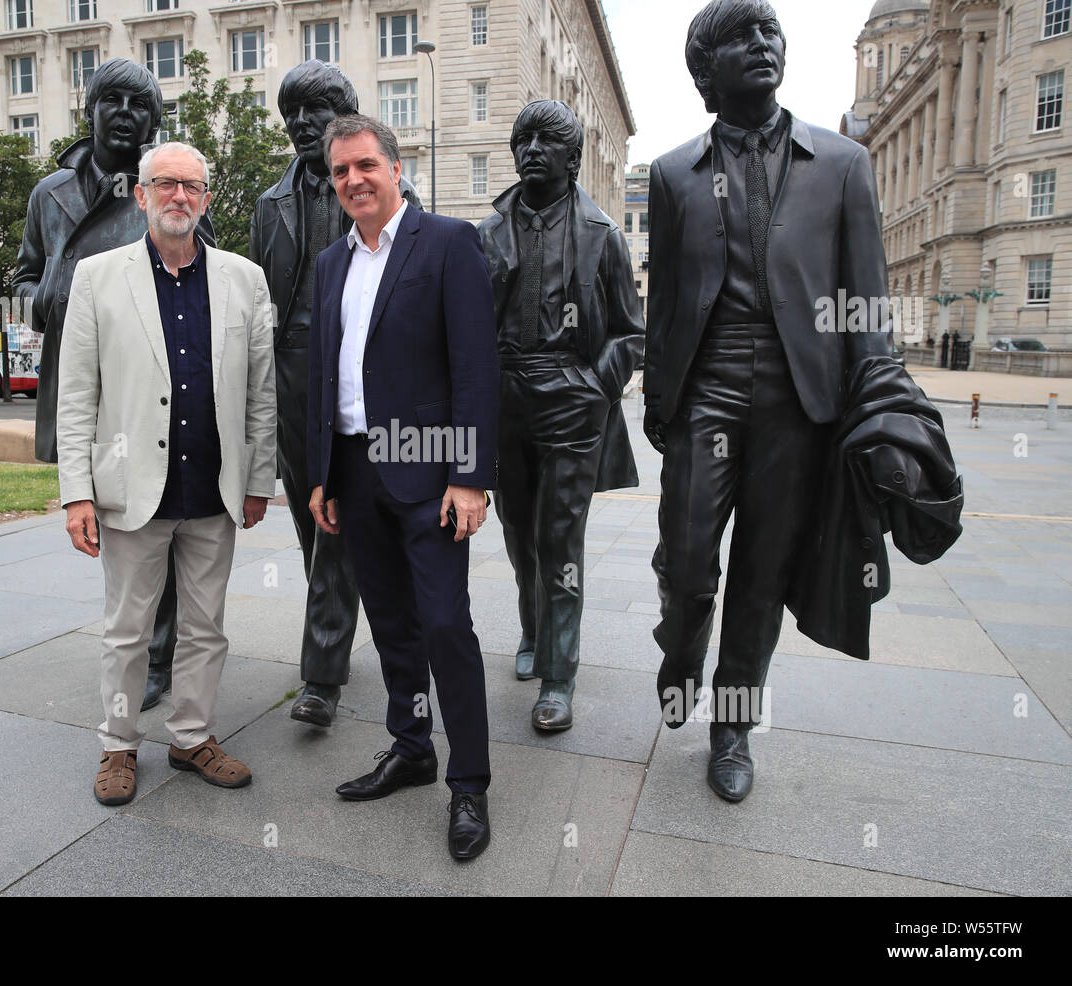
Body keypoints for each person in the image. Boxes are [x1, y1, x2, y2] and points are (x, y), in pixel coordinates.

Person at [644, 0, 893, 801]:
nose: (762, 45)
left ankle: (732, 729)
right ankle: (680, 651)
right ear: (704, 70)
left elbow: (869, 300)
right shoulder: (671, 172)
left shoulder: (845, 164)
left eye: (770, 33)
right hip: (704, 389)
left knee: (760, 575)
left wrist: (878, 402)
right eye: (739, 38)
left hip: (799, 399)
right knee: (688, 566)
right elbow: (667, 299)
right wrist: (658, 398)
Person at [55, 141, 276, 806]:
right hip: (130, 492)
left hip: (213, 489)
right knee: (127, 629)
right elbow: (76, 395)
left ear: (206, 199)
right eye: (166, 184)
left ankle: (191, 737)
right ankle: (118, 745)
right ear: (141, 195)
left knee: (206, 627)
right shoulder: (98, 277)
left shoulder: (245, 279)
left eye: (193, 186)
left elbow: (261, 392)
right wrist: (76, 494)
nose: (180, 196)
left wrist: (259, 478)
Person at [307, 115, 499, 860]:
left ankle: (471, 783)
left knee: (446, 624)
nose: (353, 180)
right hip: (354, 471)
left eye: (365, 166)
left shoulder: (448, 243)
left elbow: (476, 368)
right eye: (340, 172)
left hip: (429, 470)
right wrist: (323, 473)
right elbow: (328, 372)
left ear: (395, 166)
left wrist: (471, 479)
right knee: (389, 621)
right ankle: (412, 746)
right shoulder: (332, 263)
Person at [15, 57, 216, 710]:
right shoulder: (50, 195)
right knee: (121, 529)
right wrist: (45, 294)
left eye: (140, 103)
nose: (127, 112)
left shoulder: (171, 185)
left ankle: (160, 655)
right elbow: (22, 282)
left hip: (150, 383)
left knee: (156, 514)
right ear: (91, 110)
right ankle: (140, 645)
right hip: (84, 380)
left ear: (154, 120)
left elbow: (204, 275)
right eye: (113, 100)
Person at [250, 60, 422, 728]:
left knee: (338, 523)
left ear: (344, 116)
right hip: (292, 376)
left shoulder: (390, 191)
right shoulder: (269, 203)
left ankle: (320, 678)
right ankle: (350, 622)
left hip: (361, 380)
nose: (298, 124)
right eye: (289, 112)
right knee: (313, 522)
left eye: (313, 109)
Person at [477, 100, 645, 732]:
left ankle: (559, 675)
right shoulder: (486, 233)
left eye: (547, 140)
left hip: (570, 399)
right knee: (519, 533)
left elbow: (631, 334)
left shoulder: (603, 235)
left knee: (560, 536)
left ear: (573, 158)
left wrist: (592, 384)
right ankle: (531, 630)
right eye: (523, 139)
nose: (532, 149)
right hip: (504, 398)